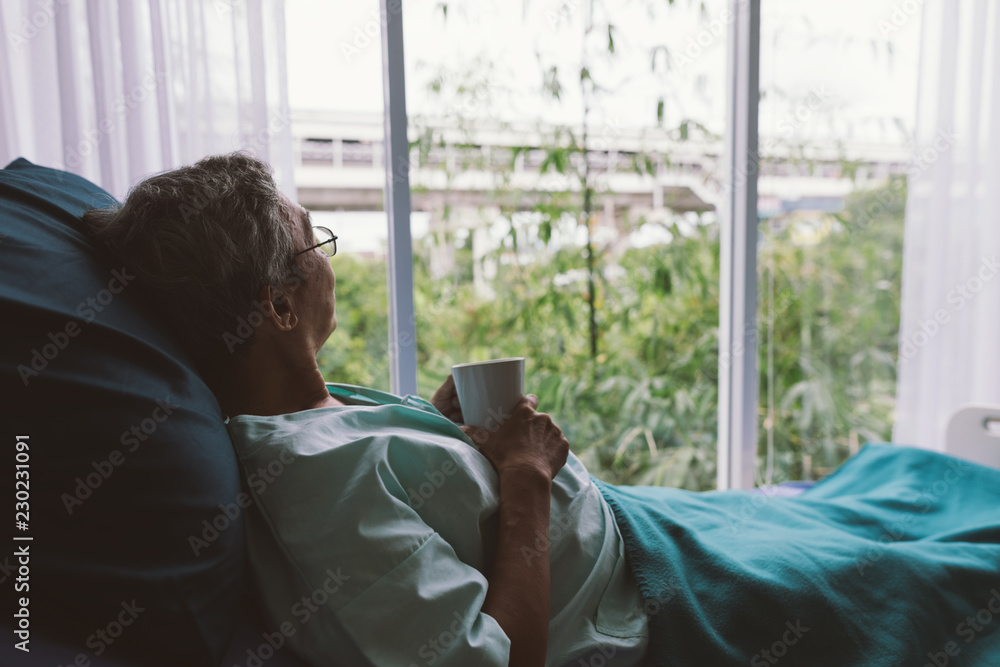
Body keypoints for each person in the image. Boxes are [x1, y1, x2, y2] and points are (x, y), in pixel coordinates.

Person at [83, 152, 1000, 667]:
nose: (330, 257)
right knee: (910, 578)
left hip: (647, 531)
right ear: (276, 307)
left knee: (897, 496)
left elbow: (414, 496)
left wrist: (452, 435)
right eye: (310, 241)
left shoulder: (314, 416)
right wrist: (522, 481)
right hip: (647, 602)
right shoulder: (309, 483)